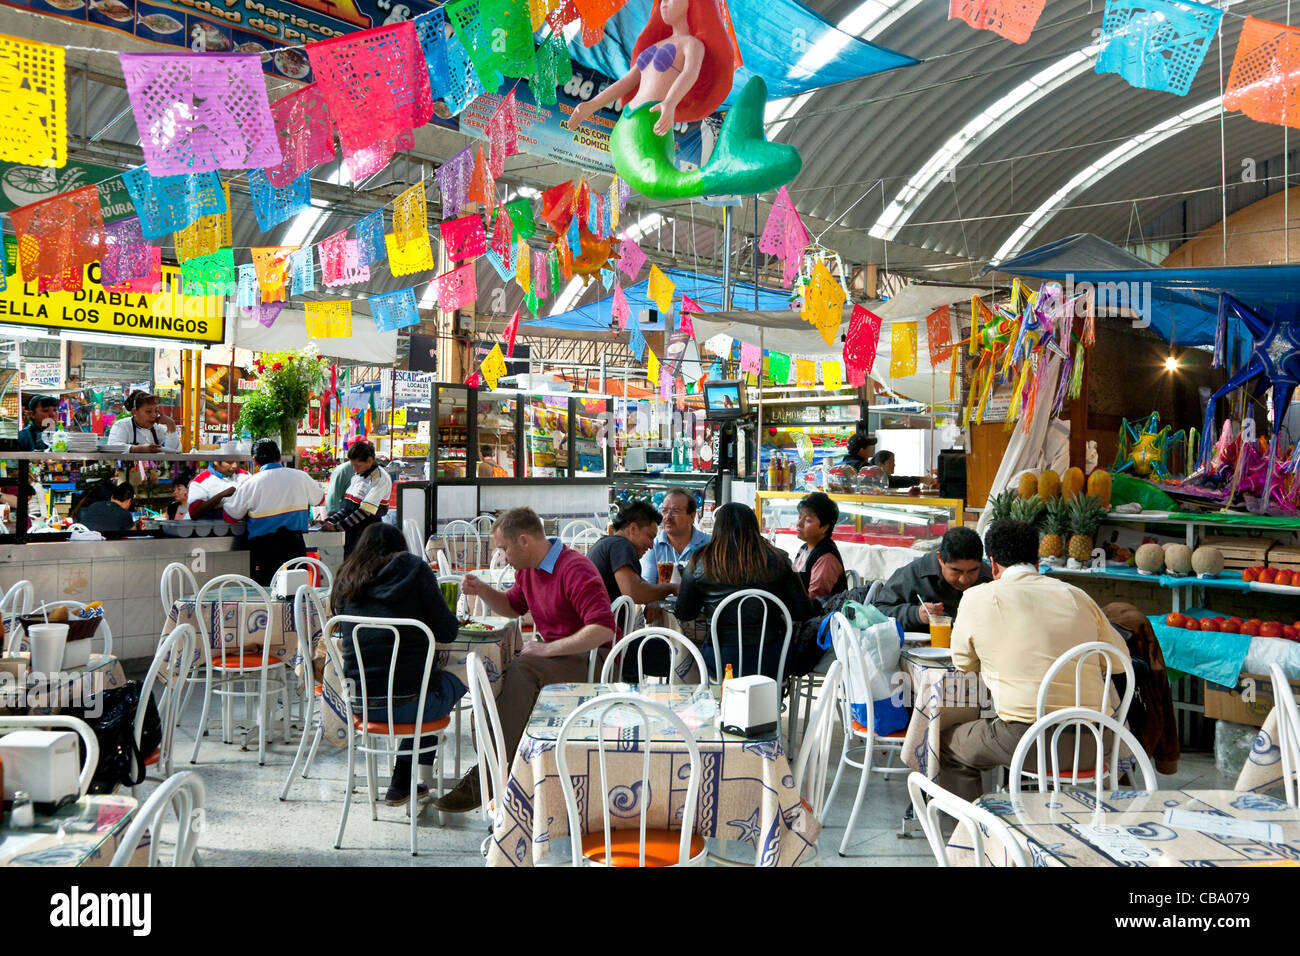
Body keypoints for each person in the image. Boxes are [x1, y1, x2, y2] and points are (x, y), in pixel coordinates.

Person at [434, 507, 615, 813]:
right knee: (497, 676)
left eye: (504, 548)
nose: (503, 557)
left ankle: (489, 776)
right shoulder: (529, 570)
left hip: (592, 661)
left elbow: (602, 628)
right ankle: (511, 772)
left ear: (524, 541)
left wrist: (546, 649)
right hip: (559, 658)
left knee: (523, 666)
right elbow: (512, 607)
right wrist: (482, 589)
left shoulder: (575, 568)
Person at [940, 519, 1132, 801]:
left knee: (948, 744)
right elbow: (1117, 662)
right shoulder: (1077, 596)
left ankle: (973, 838)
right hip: (1097, 742)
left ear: (992, 565)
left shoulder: (976, 598)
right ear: (1038, 560)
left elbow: (963, 663)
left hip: (1028, 743)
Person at [332, 523, 466, 805]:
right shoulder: (415, 570)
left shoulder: (347, 577)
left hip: (359, 703)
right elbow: (447, 632)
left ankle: (402, 782)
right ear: (399, 547)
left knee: (422, 686)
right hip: (410, 706)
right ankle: (412, 777)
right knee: (462, 675)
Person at [674, 502, 815, 680]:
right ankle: (770, 703)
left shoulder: (699, 562)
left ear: (717, 528)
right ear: (754, 526)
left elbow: (684, 613)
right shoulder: (780, 559)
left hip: (722, 659)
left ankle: (720, 703)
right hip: (771, 659)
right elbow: (803, 611)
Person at [222, 439, 325, 586]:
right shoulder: (301, 476)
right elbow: (320, 500)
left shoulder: (251, 483)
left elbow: (230, 516)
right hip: (294, 544)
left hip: (264, 548)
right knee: (295, 592)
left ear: (255, 461)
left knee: (266, 593)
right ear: (279, 457)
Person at [874, 526, 992, 631]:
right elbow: (877, 613)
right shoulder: (913, 574)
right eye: (956, 571)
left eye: (972, 571)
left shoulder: (990, 577)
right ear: (940, 558)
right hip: (919, 651)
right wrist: (915, 614)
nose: (964, 580)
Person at [321, 441, 392, 557]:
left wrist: (337, 527)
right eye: (353, 465)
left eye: (357, 465)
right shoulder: (358, 476)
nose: (355, 469)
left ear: (369, 460)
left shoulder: (379, 478)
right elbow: (348, 509)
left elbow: (365, 511)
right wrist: (330, 520)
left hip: (368, 533)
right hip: (352, 530)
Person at [639, 487, 710, 584]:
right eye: (664, 511)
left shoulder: (709, 544)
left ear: (692, 516)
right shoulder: (653, 546)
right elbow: (647, 585)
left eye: (675, 511)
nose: (667, 517)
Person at [793, 491, 847, 600]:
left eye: (807, 520)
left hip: (818, 615)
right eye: (799, 517)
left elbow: (814, 600)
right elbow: (793, 582)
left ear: (824, 527)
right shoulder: (804, 548)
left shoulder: (826, 558)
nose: (799, 524)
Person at [107, 391, 176, 453]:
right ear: (134, 412)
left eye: (156, 411)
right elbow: (112, 446)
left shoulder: (159, 428)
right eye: (149, 411)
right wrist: (138, 449)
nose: (154, 415)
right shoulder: (122, 425)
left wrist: (171, 425)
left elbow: (174, 450)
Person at [873, 449, 938, 490]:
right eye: (891, 462)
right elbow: (899, 481)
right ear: (880, 464)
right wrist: (921, 479)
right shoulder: (878, 480)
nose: (894, 465)